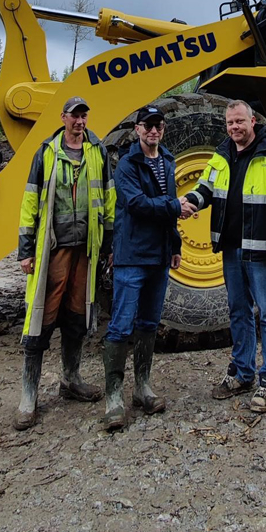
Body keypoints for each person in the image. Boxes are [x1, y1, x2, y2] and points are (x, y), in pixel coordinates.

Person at [182, 100, 266, 413]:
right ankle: (243, 372)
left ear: (252, 121)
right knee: (238, 311)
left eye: (240, 121)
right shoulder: (221, 154)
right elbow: (205, 188)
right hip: (231, 248)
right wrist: (186, 203)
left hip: (262, 249)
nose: (235, 127)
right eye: (230, 123)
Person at [14, 96, 115, 430]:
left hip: (85, 249)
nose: (80, 122)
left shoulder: (97, 152)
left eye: (84, 116)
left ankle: (70, 379)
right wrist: (25, 249)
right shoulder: (46, 153)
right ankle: (29, 396)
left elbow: (109, 199)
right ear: (63, 118)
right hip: (52, 250)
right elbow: (30, 201)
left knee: (77, 314)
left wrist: (109, 244)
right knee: (41, 315)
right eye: (74, 116)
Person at [102, 106, 196, 430]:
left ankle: (142, 387)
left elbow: (169, 208)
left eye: (158, 125)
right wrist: (176, 206)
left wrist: (176, 246)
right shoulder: (127, 164)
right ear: (138, 129)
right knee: (120, 325)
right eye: (147, 125)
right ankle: (113, 397)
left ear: (163, 129)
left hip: (159, 256)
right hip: (132, 255)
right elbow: (136, 204)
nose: (153, 131)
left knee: (149, 323)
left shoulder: (167, 161)